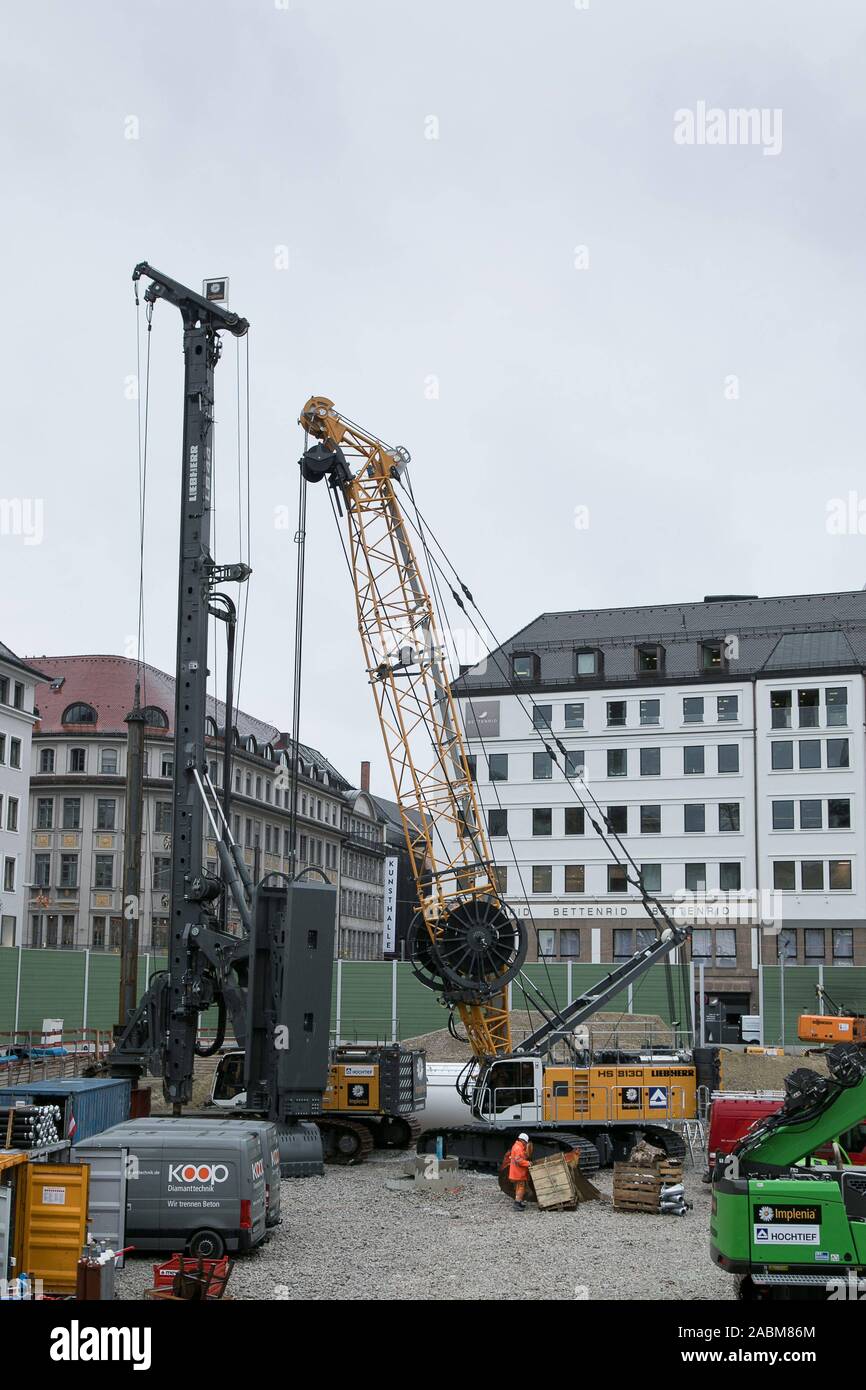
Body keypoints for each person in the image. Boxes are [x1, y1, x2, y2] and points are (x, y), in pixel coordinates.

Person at [507, 1132, 532, 1210]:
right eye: (526, 1142)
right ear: (523, 1141)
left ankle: (519, 1202)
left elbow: (521, 1156)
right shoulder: (518, 1148)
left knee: (520, 1188)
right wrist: (528, 1163)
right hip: (518, 1173)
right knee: (520, 1188)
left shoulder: (518, 1147)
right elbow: (519, 1161)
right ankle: (517, 1204)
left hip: (517, 1172)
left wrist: (525, 1154)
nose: (526, 1144)